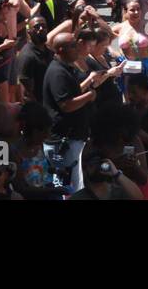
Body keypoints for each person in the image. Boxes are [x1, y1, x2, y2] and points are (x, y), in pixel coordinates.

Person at [42, 31, 110, 193]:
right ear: (60, 50)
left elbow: (72, 93)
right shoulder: (58, 72)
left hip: (73, 138)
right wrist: (89, 96)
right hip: (63, 141)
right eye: (73, 46)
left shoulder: (66, 67)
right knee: (69, 188)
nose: (77, 49)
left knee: (75, 185)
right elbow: (66, 105)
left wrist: (89, 84)